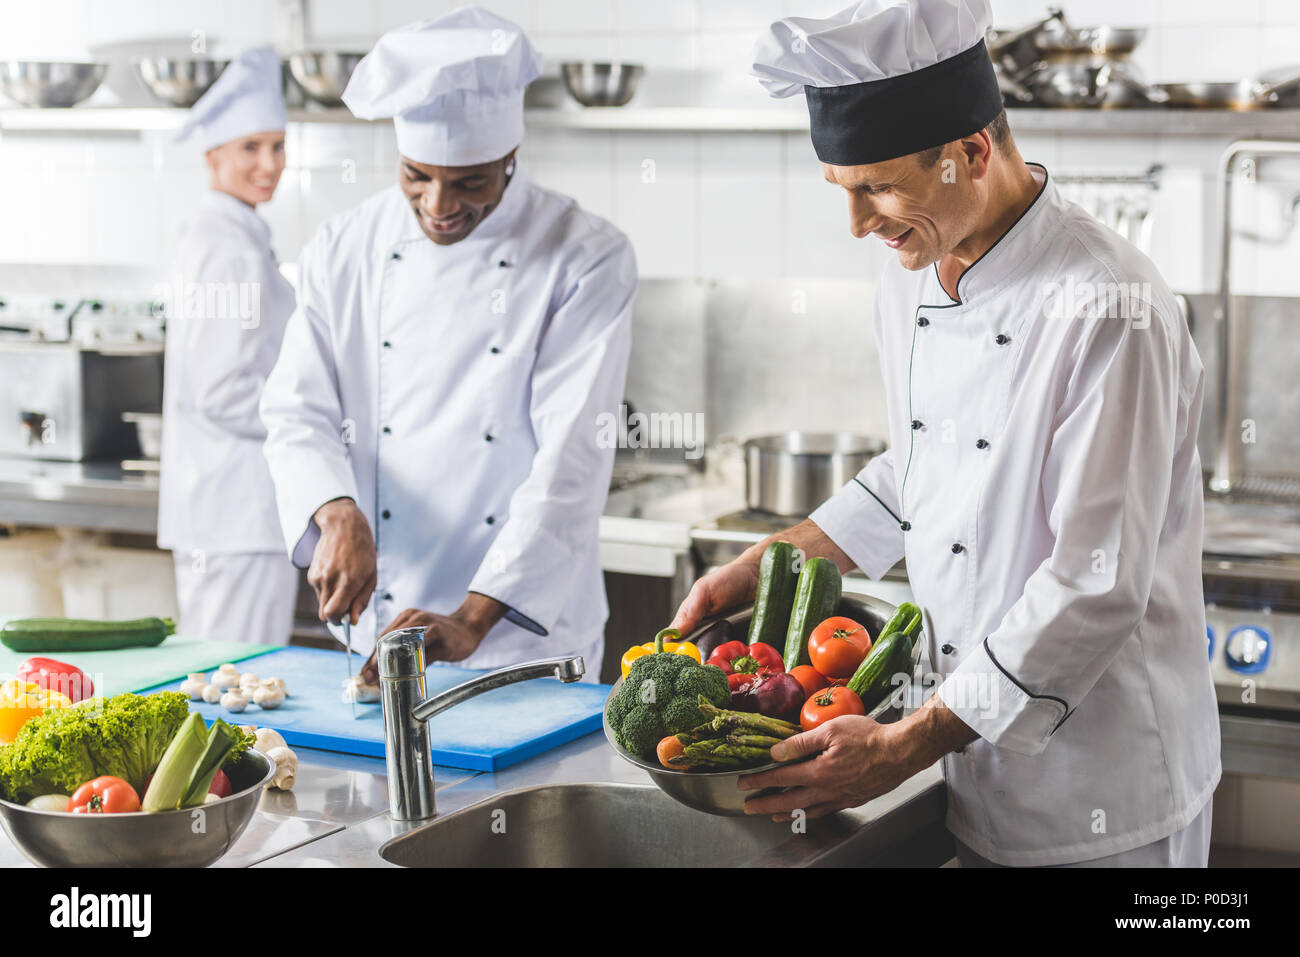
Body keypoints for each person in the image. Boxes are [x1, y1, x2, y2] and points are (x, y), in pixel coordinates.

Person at [672, 0, 1220, 867]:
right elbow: (920, 466)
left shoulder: (1112, 307)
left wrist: (911, 742)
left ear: (970, 151)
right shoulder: (918, 264)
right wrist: (781, 557)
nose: (859, 224)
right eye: (842, 191)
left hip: (1105, 798)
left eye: (879, 187)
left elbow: (1094, 581)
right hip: (975, 772)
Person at [259, 9, 635, 678]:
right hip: (385, 624)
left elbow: (571, 461)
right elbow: (296, 410)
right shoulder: (346, 246)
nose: (437, 204)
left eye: (469, 182)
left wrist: (473, 616)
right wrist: (335, 509)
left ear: (511, 159)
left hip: (524, 637)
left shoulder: (584, 255)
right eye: (416, 176)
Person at [158, 47, 298, 646]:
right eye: (251, 148)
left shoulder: (233, 233)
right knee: (233, 687)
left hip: (233, 517)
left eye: (278, 146)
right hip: (234, 515)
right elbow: (221, 390)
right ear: (213, 153)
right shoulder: (226, 245)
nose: (269, 164)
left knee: (234, 684)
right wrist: (309, 418)